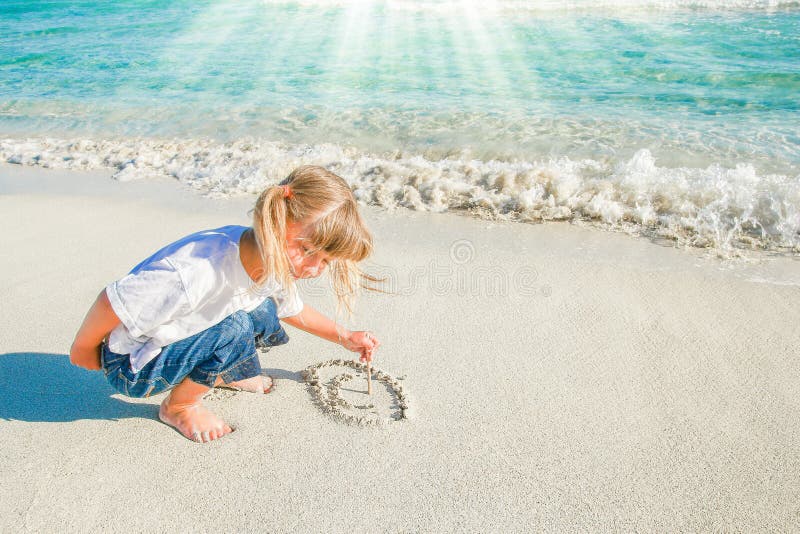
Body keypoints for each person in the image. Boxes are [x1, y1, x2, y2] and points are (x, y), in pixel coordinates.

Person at [69, 165, 380, 443]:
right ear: (275, 221)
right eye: (308, 250)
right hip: (132, 365)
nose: (313, 269)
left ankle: (228, 371)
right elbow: (112, 301)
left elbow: (292, 309)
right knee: (236, 326)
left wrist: (346, 337)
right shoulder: (197, 271)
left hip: (178, 339)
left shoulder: (270, 260)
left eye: (325, 261)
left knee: (264, 309)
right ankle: (179, 406)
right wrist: (83, 348)